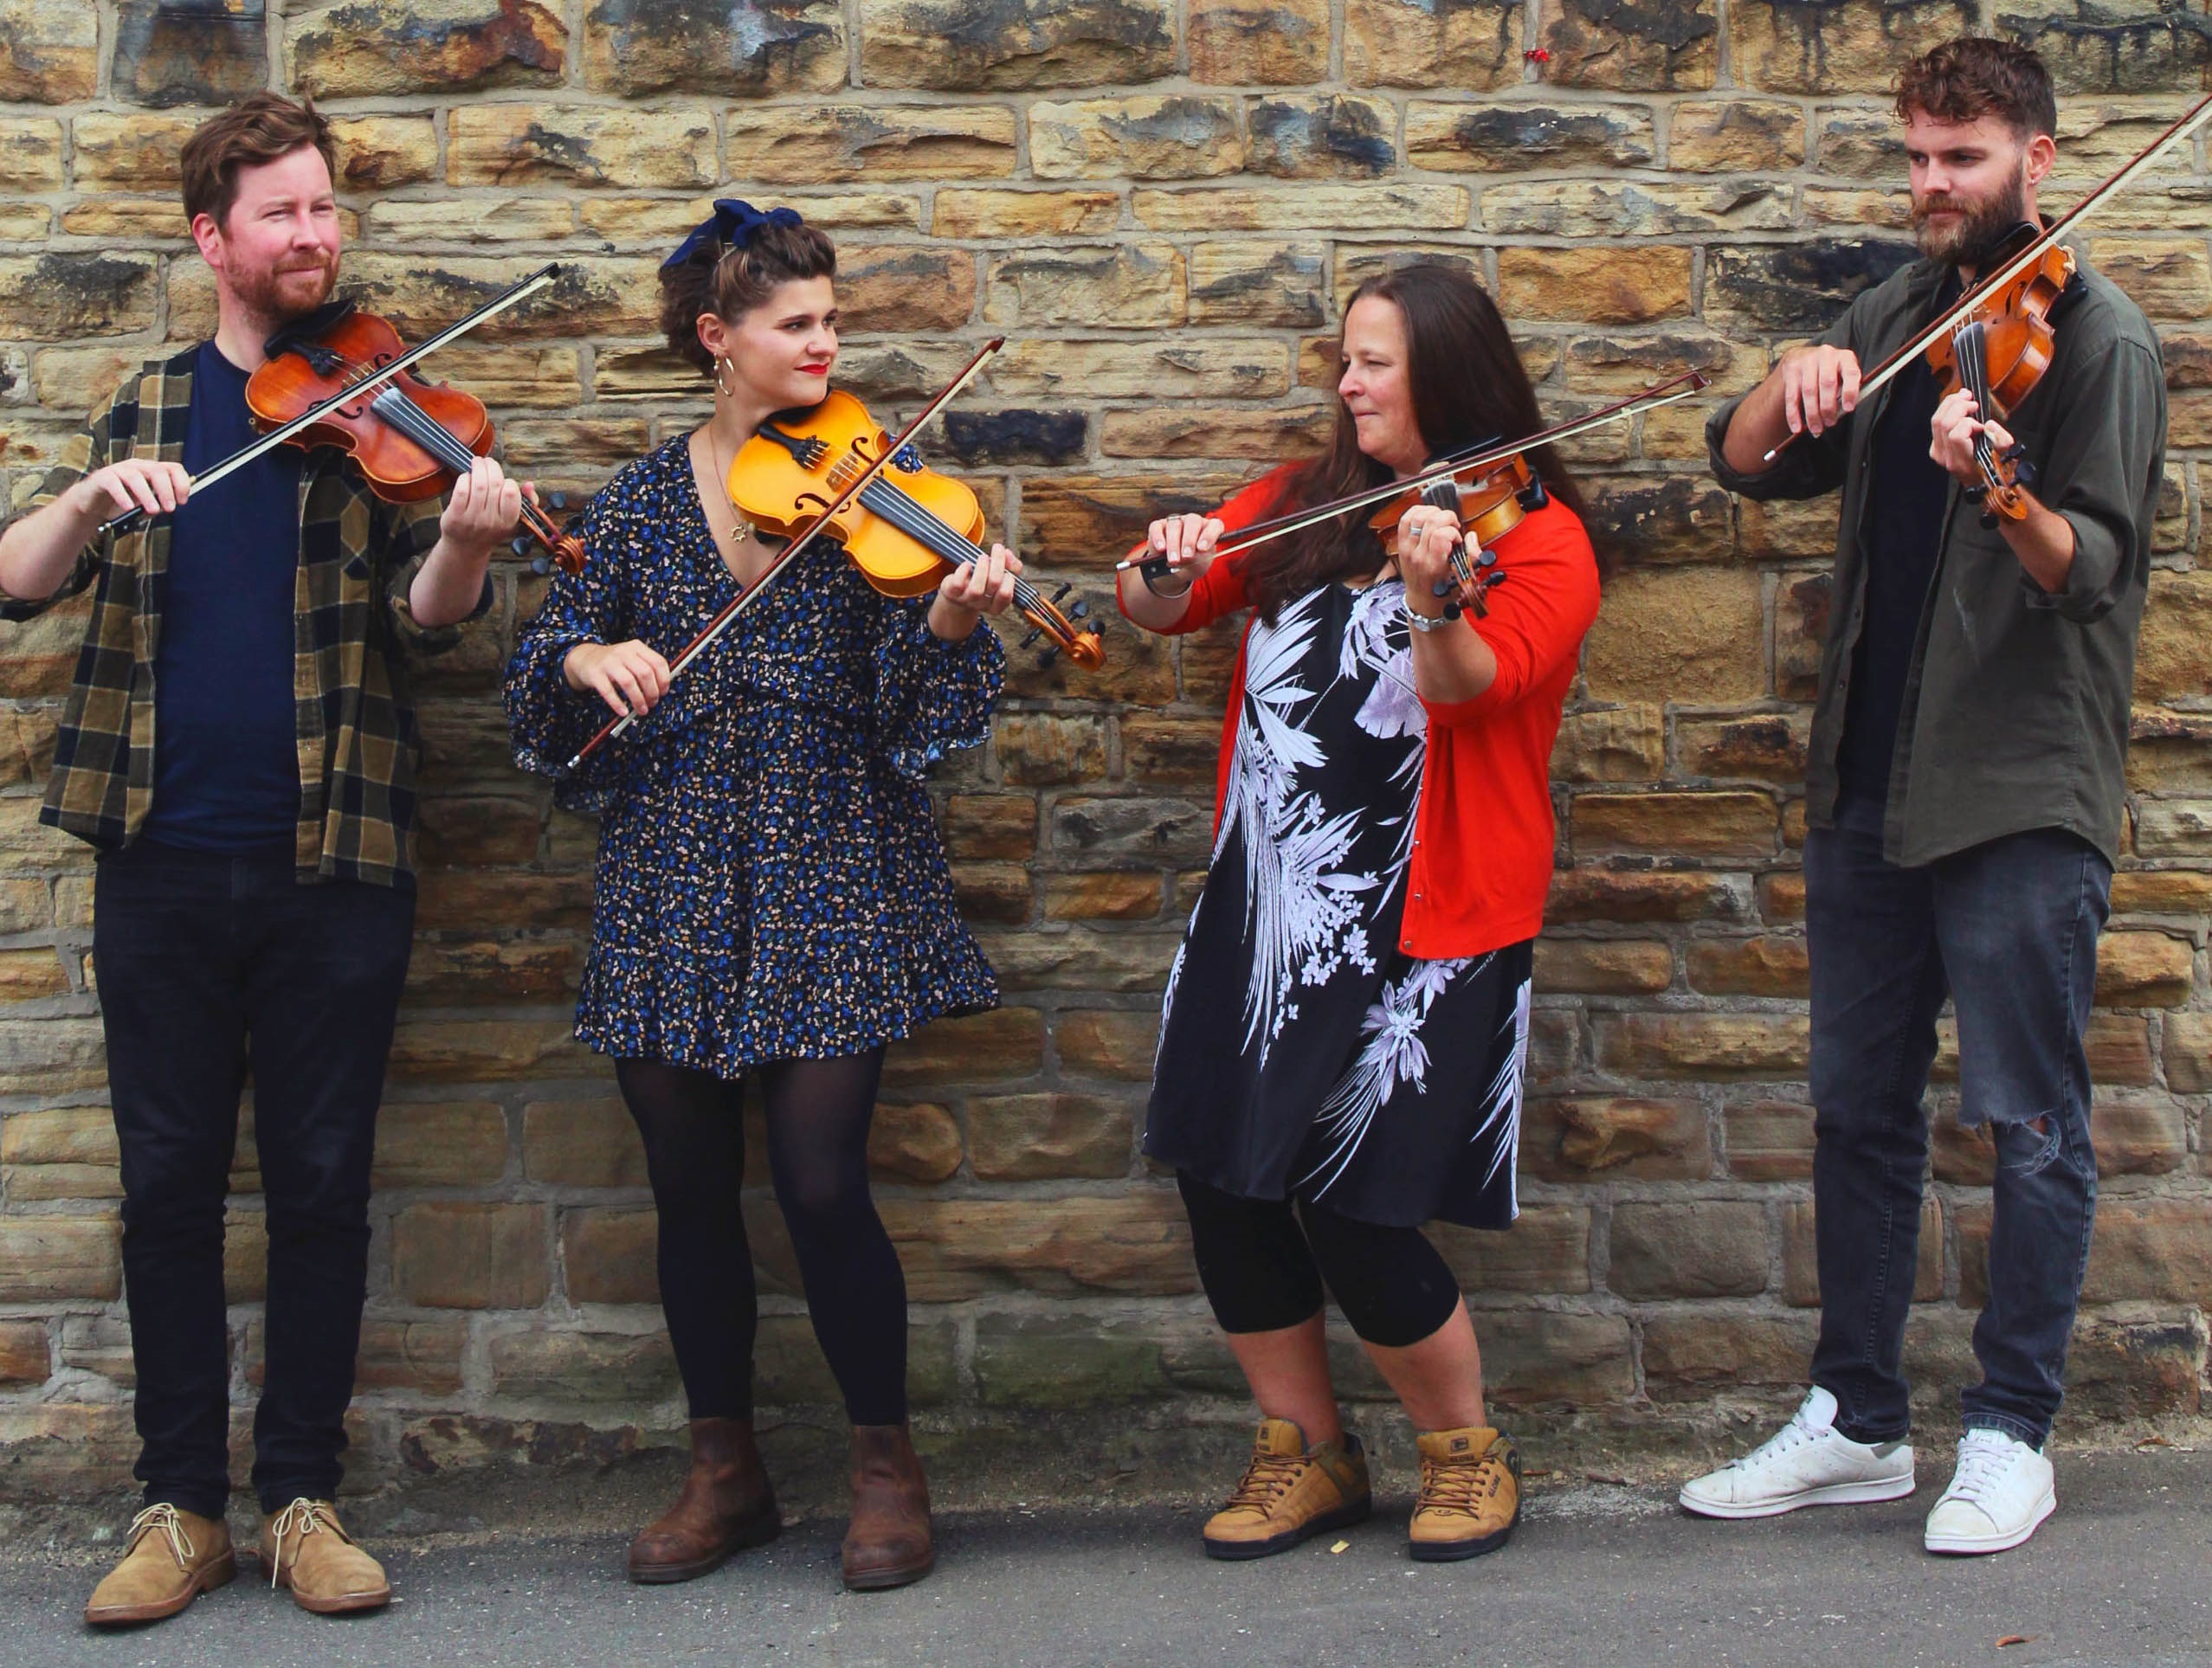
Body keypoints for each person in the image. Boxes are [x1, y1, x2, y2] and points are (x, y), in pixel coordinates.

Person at [0, 93, 527, 1625]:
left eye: (325, 209)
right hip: (158, 861)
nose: (314, 236)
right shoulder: (151, 406)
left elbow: (430, 623)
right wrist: (86, 497)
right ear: (212, 239)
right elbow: (17, 583)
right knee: (165, 1192)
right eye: (283, 213)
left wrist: (468, 541)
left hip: (335, 856)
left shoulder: (386, 409)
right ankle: (180, 1509)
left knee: (321, 1187)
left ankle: (302, 1498)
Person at [1685, 38, 2165, 1555]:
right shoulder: (1896, 315)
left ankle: (2013, 1432)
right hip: (1869, 778)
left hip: (2016, 787)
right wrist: (1786, 382)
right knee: (1857, 1112)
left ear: (2037, 156)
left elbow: (2095, 574)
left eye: (1962, 157)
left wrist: (1997, 486)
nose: (1933, 184)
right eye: (1916, 157)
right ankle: (1857, 1421)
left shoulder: (2100, 341)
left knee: (2030, 1121)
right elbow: (1744, 463)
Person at [503, 201, 1019, 1592]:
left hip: (828, 855)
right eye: (797, 324)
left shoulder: (879, 490)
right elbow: (544, 659)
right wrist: (588, 660)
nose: (825, 344)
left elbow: (914, 719)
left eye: (831, 320)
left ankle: (885, 1468)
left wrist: (950, 617)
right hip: (672, 863)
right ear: (717, 339)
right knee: (687, 1191)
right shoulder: (635, 502)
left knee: (820, 1182)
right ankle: (723, 1473)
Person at [1118, 262, 1601, 1564]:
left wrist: (1436, 598)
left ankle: (1464, 1454)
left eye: (1373, 363)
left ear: (1445, 373)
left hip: (1426, 927)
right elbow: (1163, 607)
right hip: (1265, 907)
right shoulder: (1301, 503)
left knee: (1359, 1203)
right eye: (1347, 360)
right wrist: (1162, 563)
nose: (1347, 384)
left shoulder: (1541, 539)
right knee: (1223, 1182)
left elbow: (1471, 688)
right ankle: (1307, 1454)